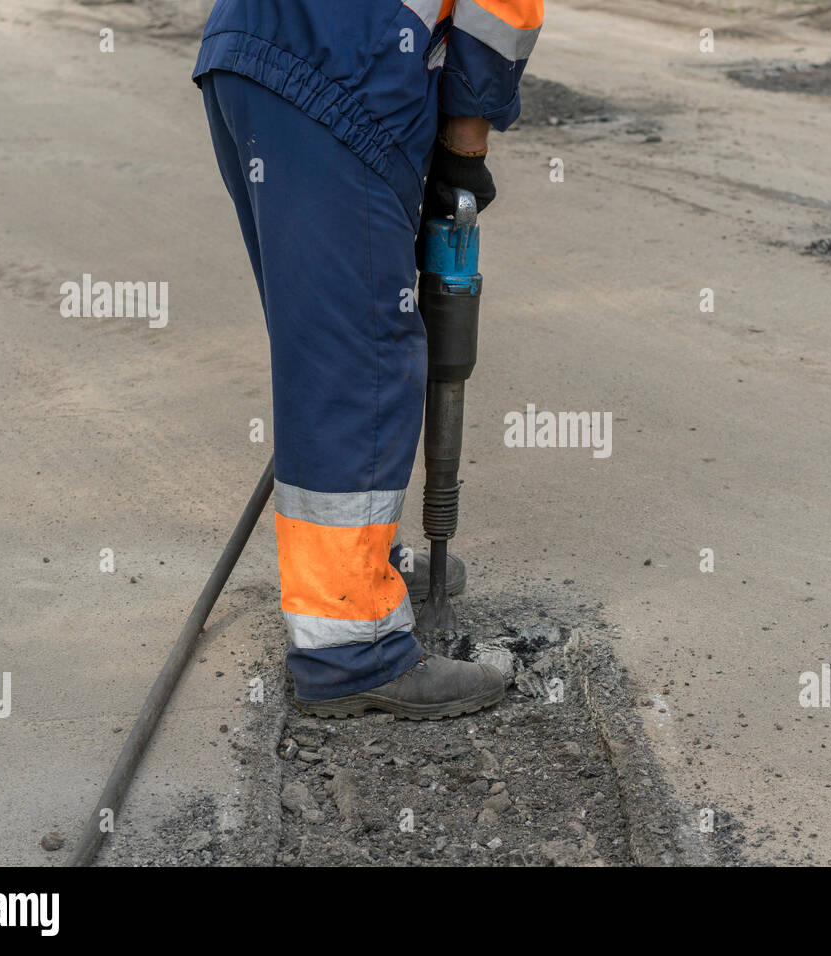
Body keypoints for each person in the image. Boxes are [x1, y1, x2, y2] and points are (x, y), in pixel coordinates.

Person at [192, 0, 543, 718]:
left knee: (324, 343)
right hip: (344, 62)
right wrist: (464, 146)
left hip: (260, 48)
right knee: (360, 358)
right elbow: (497, 12)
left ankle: (357, 569)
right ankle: (352, 645)